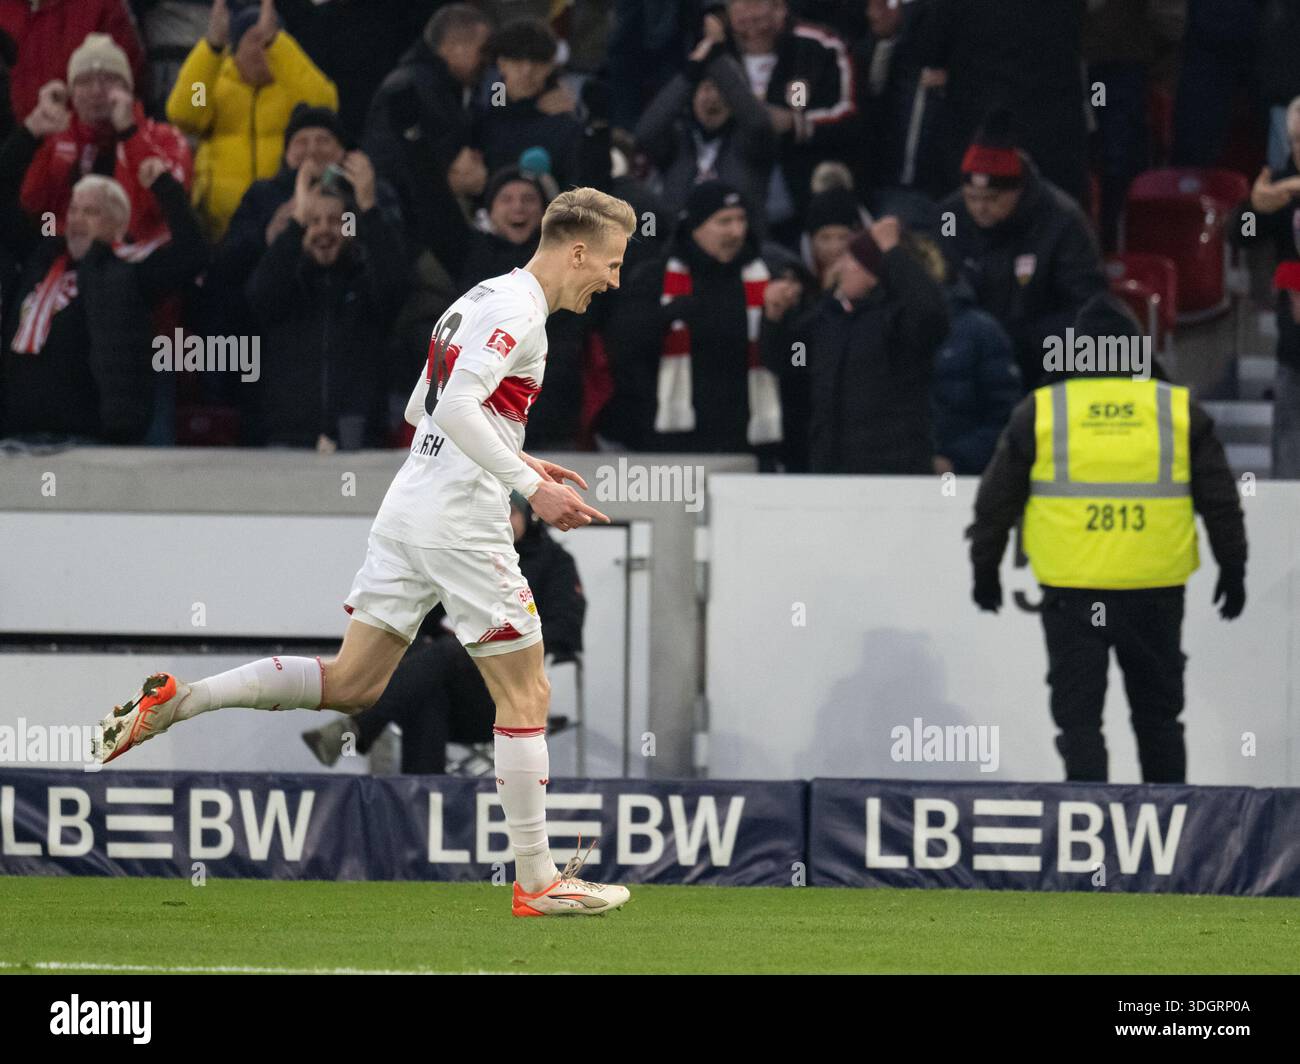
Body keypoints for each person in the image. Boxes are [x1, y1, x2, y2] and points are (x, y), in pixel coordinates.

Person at [92, 187, 636, 919]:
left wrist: (523, 460)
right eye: (610, 262)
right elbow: (450, 408)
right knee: (527, 693)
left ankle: (186, 700)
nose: (613, 279)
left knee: (353, 682)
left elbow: (424, 408)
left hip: (410, 508)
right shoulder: (520, 315)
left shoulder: (479, 297)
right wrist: (525, 488)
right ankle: (537, 881)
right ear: (577, 251)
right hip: (462, 523)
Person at [966, 293, 1247, 784]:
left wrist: (984, 570)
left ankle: (1088, 835)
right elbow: (1220, 501)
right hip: (1154, 589)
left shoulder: (1043, 411)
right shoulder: (1178, 411)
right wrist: (1233, 566)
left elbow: (996, 503)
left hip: (1072, 592)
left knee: (1079, 724)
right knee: (1159, 720)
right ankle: (1167, 835)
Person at [302, 492, 586, 774]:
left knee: (448, 656)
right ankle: (425, 807)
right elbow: (423, 617)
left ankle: (359, 726)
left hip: (511, 698)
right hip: (456, 695)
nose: (500, 523)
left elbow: (565, 630)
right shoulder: (473, 558)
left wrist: (501, 640)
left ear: (530, 516)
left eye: (509, 513)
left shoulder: (556, 563)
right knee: (426, 680)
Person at [0, 163, 206, 443]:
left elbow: (193, 253)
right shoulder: (42, 260)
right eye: (73, 210)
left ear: (118, 225)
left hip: (88, 440)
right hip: (16, 435)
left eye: (91, 212)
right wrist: (28, 135)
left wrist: (164, 186)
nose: (77, 220)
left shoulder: (131, 271)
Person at [761, 216, 949, 473]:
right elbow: (788, 362)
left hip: (895, 469)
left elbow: (931, 314)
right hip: (830, 466)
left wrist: (892, 251)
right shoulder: (827, 317)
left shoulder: (899, 320)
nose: (841, 267)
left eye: (852, 260)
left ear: (875, 272)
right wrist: (775, 319)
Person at [242, 157, 406, 449]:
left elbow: (395, 285)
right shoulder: (287, 281)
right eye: (313, 221)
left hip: (360, 440)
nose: (324, 230)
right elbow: (260, 295)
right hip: (287, 440)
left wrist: (367, 206)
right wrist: (295, 222)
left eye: (335, 221)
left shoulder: (365, 282)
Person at [938, 112, 1105, 390]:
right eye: (971, 197)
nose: (980, 208)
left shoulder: (1062, 221)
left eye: (992, 199)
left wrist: (1020, 340)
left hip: (1040, 370)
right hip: (967, 368)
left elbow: (1088, 309)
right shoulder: (949, 218)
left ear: (1017, 189)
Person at [165, 0, 338, 239]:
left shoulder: (293, 86)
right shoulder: (212, 85)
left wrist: (278, 46)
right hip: (219, 231)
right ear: (235, 47)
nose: (262, 49)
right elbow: (186, 113)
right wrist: (212, 48)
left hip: (286, 223)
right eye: (254, 40)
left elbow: (323, 105)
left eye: (268, 41)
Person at [12, 34, 192, 243]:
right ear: (72, 92)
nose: (96, 91)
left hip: (140, 260)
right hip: (70, 258)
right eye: (85, 81)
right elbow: (37, 207)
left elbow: (164, 209)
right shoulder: (58, 137)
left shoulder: (165, 137)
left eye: (109, 80)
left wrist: (130, 133)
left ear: (127, 88)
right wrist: (51, 248)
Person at [634, 9, 776, 237]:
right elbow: (645, 132)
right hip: (679, 249)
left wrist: (717, 53)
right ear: (692, 95)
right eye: (707, 88)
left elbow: (758, 122)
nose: (713, 98)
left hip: (740, 249)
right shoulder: (677, 141)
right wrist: (691, 72)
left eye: (722, 90)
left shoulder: (752, 144)